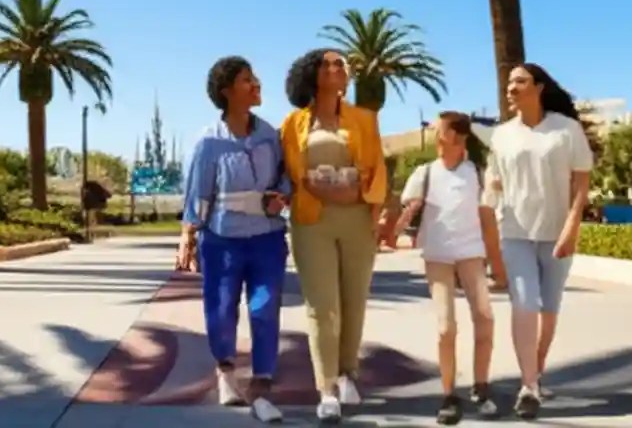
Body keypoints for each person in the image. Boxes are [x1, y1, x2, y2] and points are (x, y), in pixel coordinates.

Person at [176, 56, 290, 423]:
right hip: (222, 241)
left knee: (264, 308)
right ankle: (225, 371)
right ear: (226, 91)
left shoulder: (270, 134)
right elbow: (198, 194)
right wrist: (187, 237)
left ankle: (262, 385)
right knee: (222, 311)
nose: (256, 83)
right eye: (246, 79)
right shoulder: (209, 142)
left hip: (267, 239)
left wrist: (281, 196)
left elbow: (286, 177)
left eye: (254, 77)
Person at [277, 48, 387, 423]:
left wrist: (362, 200)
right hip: (312, 221)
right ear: (312, 74)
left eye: (341, 63)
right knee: (323, 307)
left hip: (357, 218)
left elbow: (377, 170)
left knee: (354, 300)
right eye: (328, 63)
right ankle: (326, 388)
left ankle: (347, 374)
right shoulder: (292, 123)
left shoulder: (364, 119)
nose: (337, 67)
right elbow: (288, 173)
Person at [483, 63, 594, 420]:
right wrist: (485, 219)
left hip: (556, 233)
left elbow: (581, 185)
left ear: (539, 87)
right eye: (509, 83)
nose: (511, 88)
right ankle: (528, 386)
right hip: (514, 231)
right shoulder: (501, 135)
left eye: (520, 82)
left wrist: (572, 227)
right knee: (525, 304)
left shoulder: (567, 130)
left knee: (548, 309)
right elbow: (494, 184)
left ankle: (536, 370)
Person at [395, 111, 499, 424]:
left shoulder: (477, 175)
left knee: (484, 318)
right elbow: (404, 213)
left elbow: (488, 221)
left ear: (456, 137)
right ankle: (449, 394)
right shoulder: (424, 174)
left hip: (471, 255)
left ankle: (481, 387)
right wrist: (400, 221)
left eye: (440, 129)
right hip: (437, 257)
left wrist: (498, 264)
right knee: (446, 328)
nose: (436, 134)